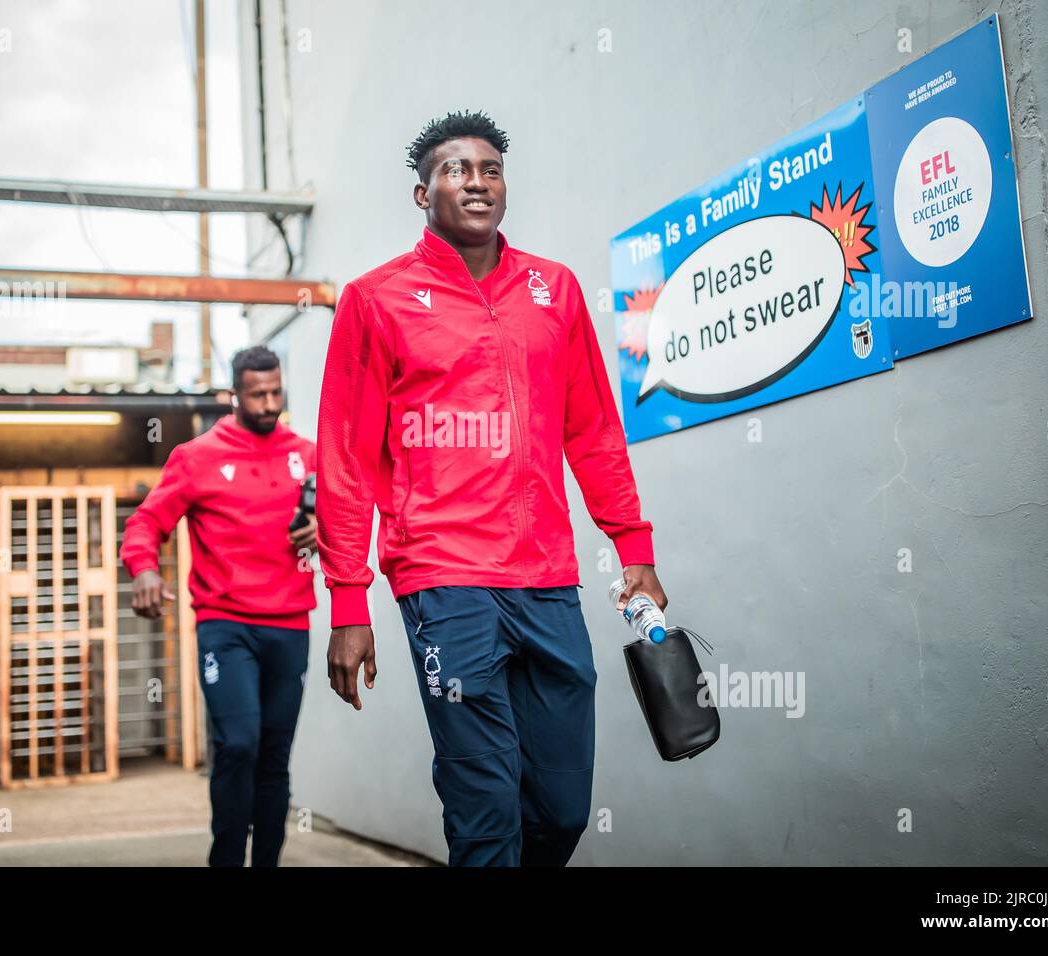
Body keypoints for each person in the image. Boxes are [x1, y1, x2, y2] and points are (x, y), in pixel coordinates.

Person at [315, 109, 667, 867]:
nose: (476, 182)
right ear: (423, 193)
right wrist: (349, 601)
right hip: (443, 580)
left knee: (563, 807)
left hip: (548, 578)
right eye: (456, 169)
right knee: (483, 805)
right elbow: (344, 459)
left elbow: (594, 430)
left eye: (490, 170)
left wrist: (631, 544)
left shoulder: (556, 290)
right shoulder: (376, 300)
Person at [121, 346, 317, 867]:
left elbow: (348, 520)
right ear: (235, 395)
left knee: (274, 757)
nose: (270, 402)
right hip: (226, 624)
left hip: (291, 625)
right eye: (258, 394)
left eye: (276, 392)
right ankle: (226, 859)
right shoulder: (197, 456)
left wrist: (326, 531)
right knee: (238, 745)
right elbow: (146, 522)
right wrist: (143, 568)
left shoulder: (308, 454)